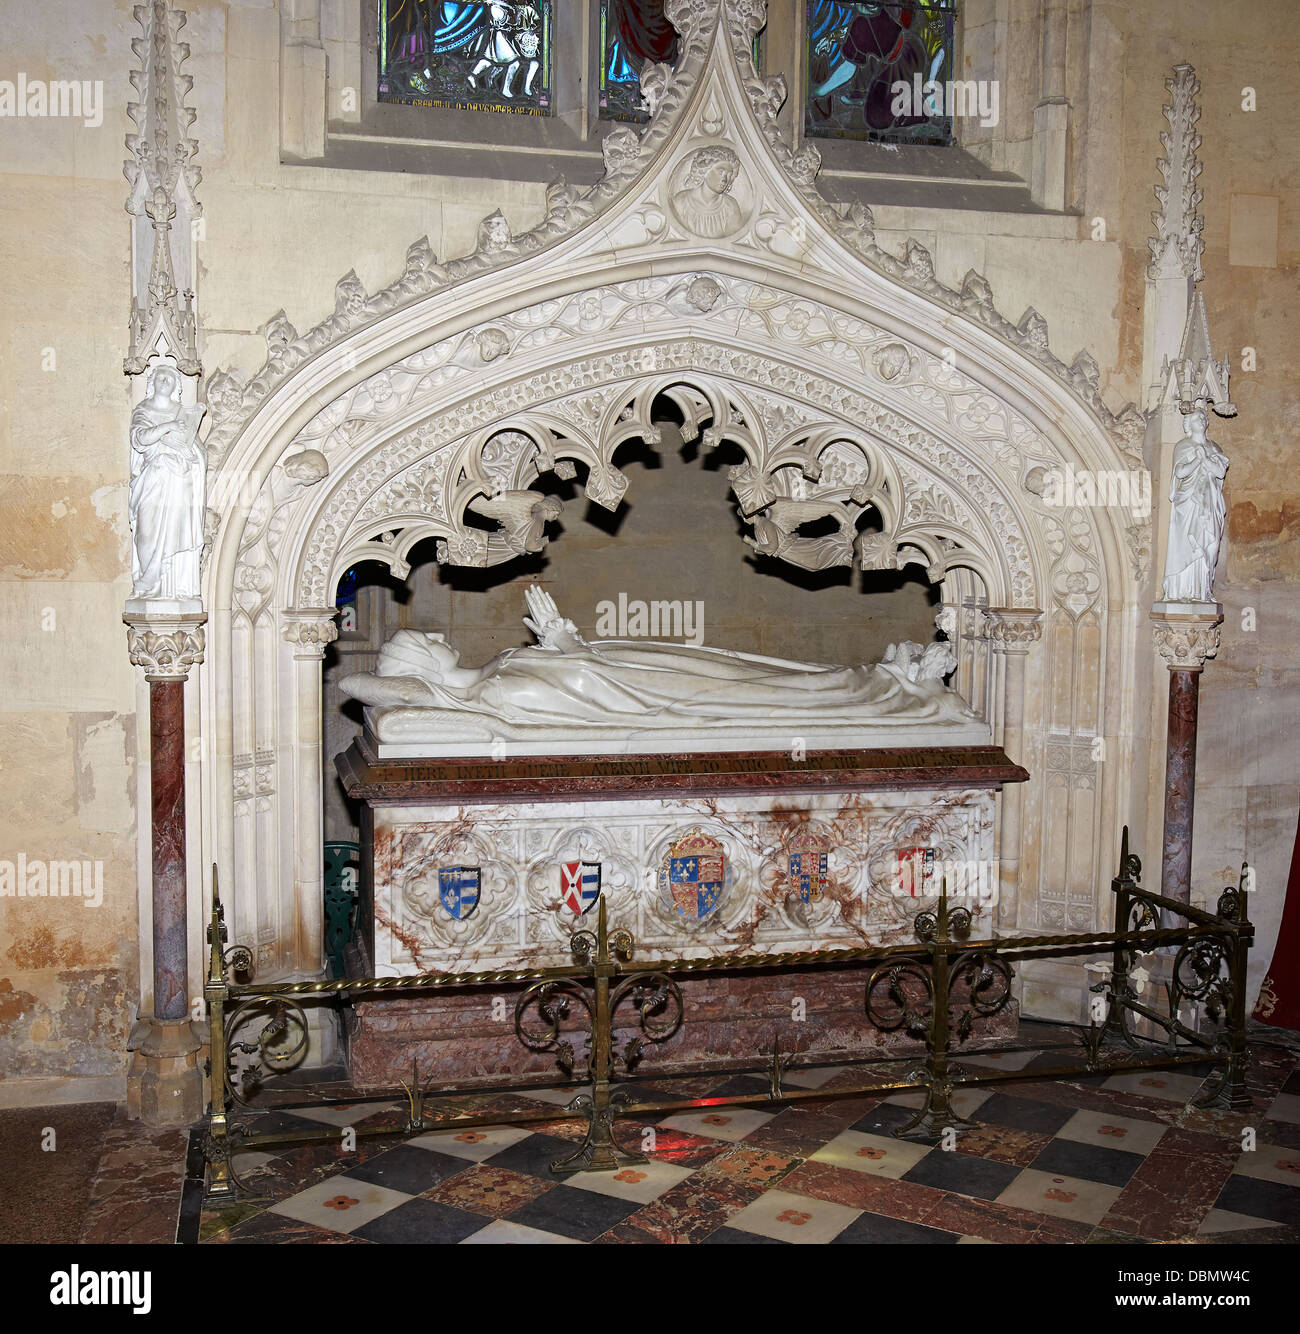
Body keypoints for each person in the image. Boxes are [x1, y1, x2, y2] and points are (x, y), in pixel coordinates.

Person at [128, 364, 206, 601]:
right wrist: (168, 428)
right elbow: (139, 438)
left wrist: (192, 455)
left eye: (170, 378)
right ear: (151, 383)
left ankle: (171, 585)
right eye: (160, 376)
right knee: (146, 529)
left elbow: (198, 451)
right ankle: (147, 576)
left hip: (177, 483)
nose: (164, 380)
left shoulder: (184, 413)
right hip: (152, 478)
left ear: (176, 386)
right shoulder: (143, 410)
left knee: (175, 529)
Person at [1161, 406, 1228, 603]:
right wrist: (1197, 461)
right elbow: (1180, 473)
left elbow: (1220, 472)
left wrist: (1205, 457)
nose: (1201, 419)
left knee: (1212, 544)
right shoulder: (1183, 446)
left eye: (1203, 417)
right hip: (1189, 502)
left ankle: (1204, 589)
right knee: (1189, 545)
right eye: (1196, 417)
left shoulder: (1214, 448)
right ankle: (1183, 591)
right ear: (1188, 424)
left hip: (1210, 502)